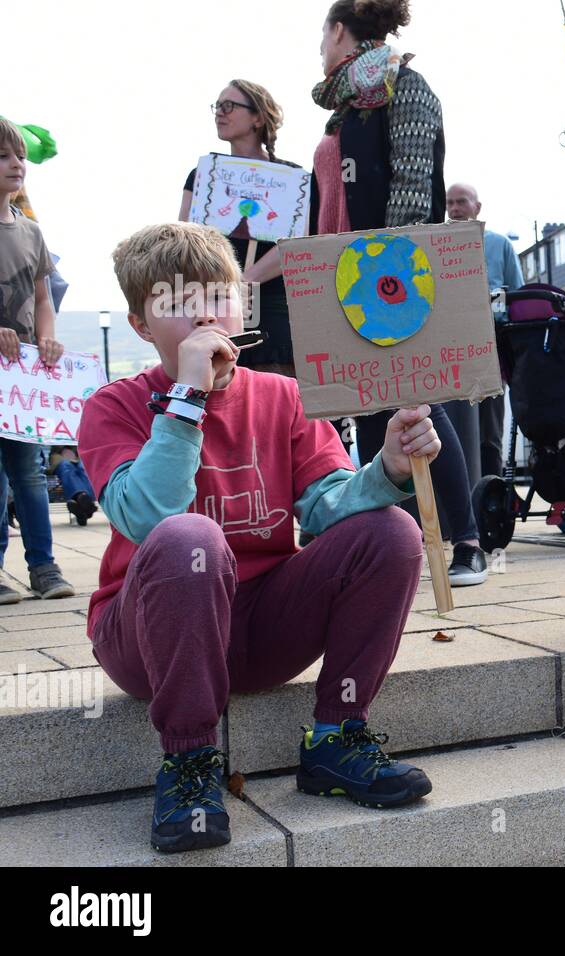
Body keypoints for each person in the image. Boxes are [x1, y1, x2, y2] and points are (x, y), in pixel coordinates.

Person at [79, 222, 439, 854]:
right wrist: (187, 397)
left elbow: (328, 511)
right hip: (148, 637)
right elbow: (148, 515)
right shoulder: (113, 406)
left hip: (260, 625)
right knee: (187, 535)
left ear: (242, 304)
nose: (204, 318)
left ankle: (335, 739)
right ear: (141, 325)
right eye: (178, 304)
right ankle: (191, 764)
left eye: (217, 297)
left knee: (390, 531)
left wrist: (387, 472)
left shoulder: (285, 396)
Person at [309, 0, 486, 585]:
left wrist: (381, 270)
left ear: (340, 31)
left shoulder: (406, 87)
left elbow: (412, 187)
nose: (318, 49)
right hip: (342, 278)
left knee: (418, 403)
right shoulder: (341, 113)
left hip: (387, 276)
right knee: (371, 411)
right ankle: (397, 543)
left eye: (321, 36)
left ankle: (465, 543)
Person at [0, 118, 74, 603]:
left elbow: (43, 296)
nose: (17, 164)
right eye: (4, 156)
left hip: (19, 377)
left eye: (20, 156)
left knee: (27, 470)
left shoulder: (31, 231)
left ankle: (43, 567)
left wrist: (47, 337)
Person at [179, 80, 300, 377]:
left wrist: (248, 279)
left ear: (258, 117)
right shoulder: (203, 175)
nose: (220, 113)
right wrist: (225, 287)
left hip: (272, 312)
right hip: (214, 308)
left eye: (229, 106)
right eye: (217, 106)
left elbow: (298, 242)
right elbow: (184, 237)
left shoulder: (292, 178)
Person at [446, 181, 524, 478]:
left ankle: (491, 497)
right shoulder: (438, 246)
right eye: (450, 202)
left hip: (490, 353)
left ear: (477, 207)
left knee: (489, 431)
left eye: (461, 202)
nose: (454, 208)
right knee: (452, 429)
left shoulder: (499, 245)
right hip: (451, 356)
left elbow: (516, 299)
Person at [47, 447, 97, 525]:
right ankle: (86, 503)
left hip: (81, 454)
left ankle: (80, 505)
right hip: (60, 457)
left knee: (83, 467)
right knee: (66, 468)